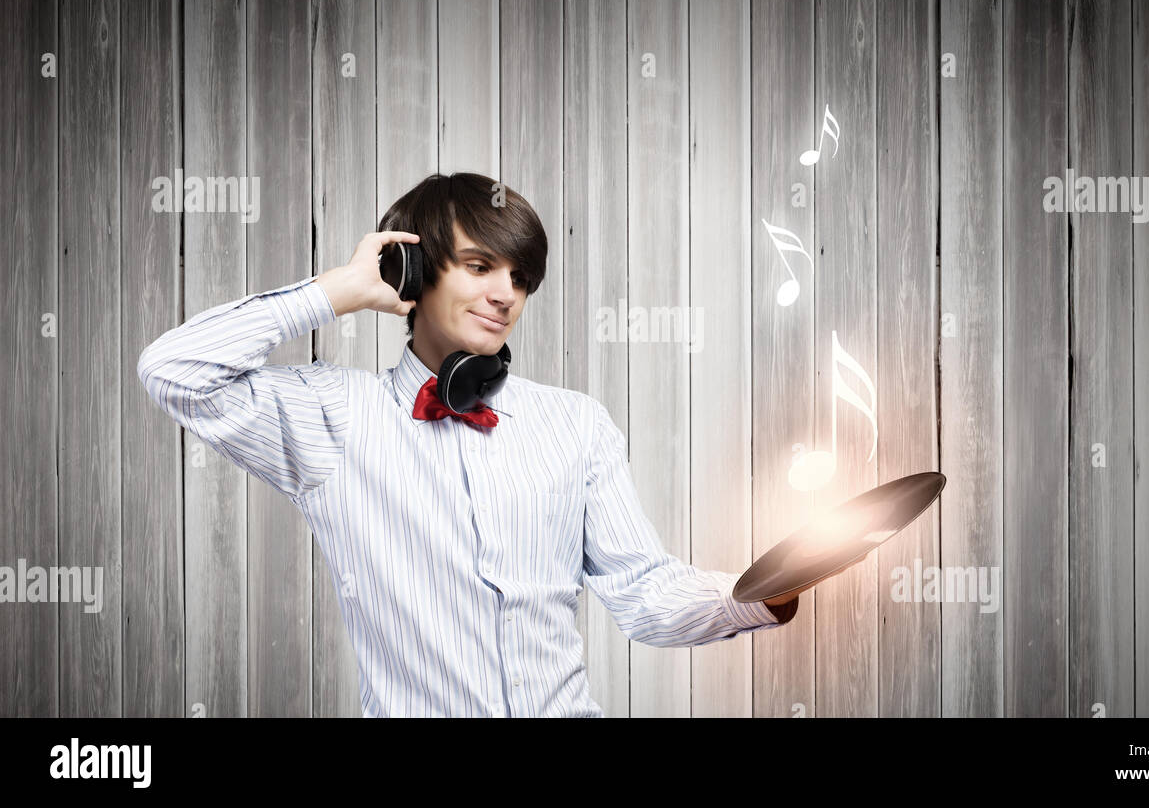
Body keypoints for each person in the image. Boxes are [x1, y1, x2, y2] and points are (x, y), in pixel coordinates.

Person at [137, 172, 798, 718]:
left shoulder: (577, 424)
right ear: (413, 272)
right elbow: (173, 371)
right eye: (480, 266)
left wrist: (761, 592)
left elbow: (644, 593)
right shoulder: (332, 417)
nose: (504, 294)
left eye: (519, 278)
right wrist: (337, 291)